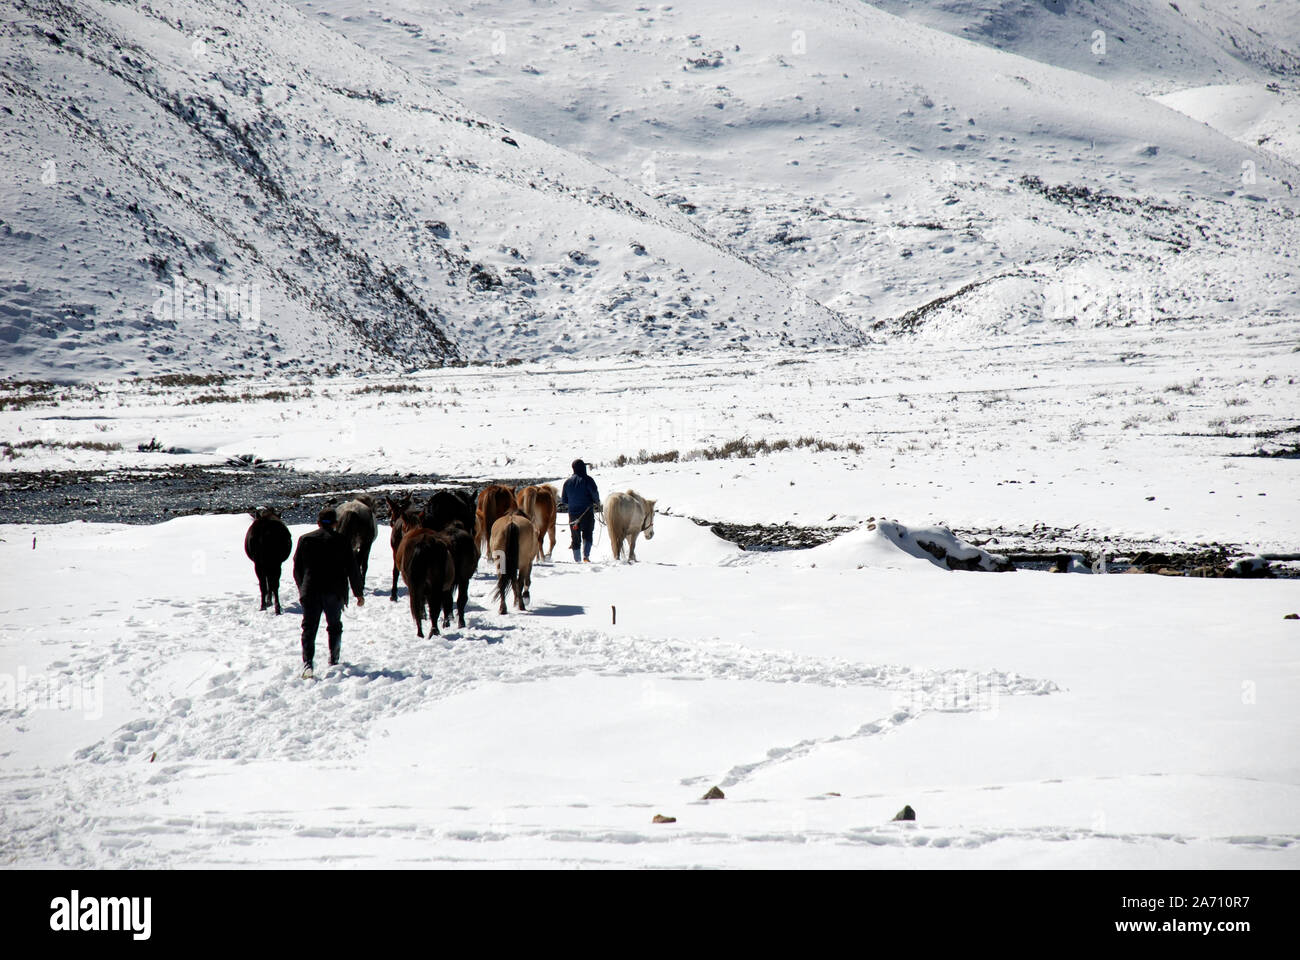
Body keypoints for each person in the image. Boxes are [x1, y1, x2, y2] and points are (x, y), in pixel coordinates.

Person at [292, 506, 365, 678]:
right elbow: (352, 569)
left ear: (318, 522)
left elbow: (297, 568)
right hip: (334, 590)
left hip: (311, 590)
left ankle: (308, 663)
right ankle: (334, 659)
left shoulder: (305, 540)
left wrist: (302, 588)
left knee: (309, 628)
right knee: (334, 626)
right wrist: (358, 593)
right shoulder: (342, 541)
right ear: (336, 523)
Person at [560, 458, 600, 563]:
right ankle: (586, 557)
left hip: (573, 515)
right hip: (587, 512)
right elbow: (595, 494)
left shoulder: (567, 482)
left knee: (575, 538)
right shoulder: (588, 480)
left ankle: (577, 560)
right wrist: (597, 502)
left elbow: (564, 500)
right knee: (587, 534)